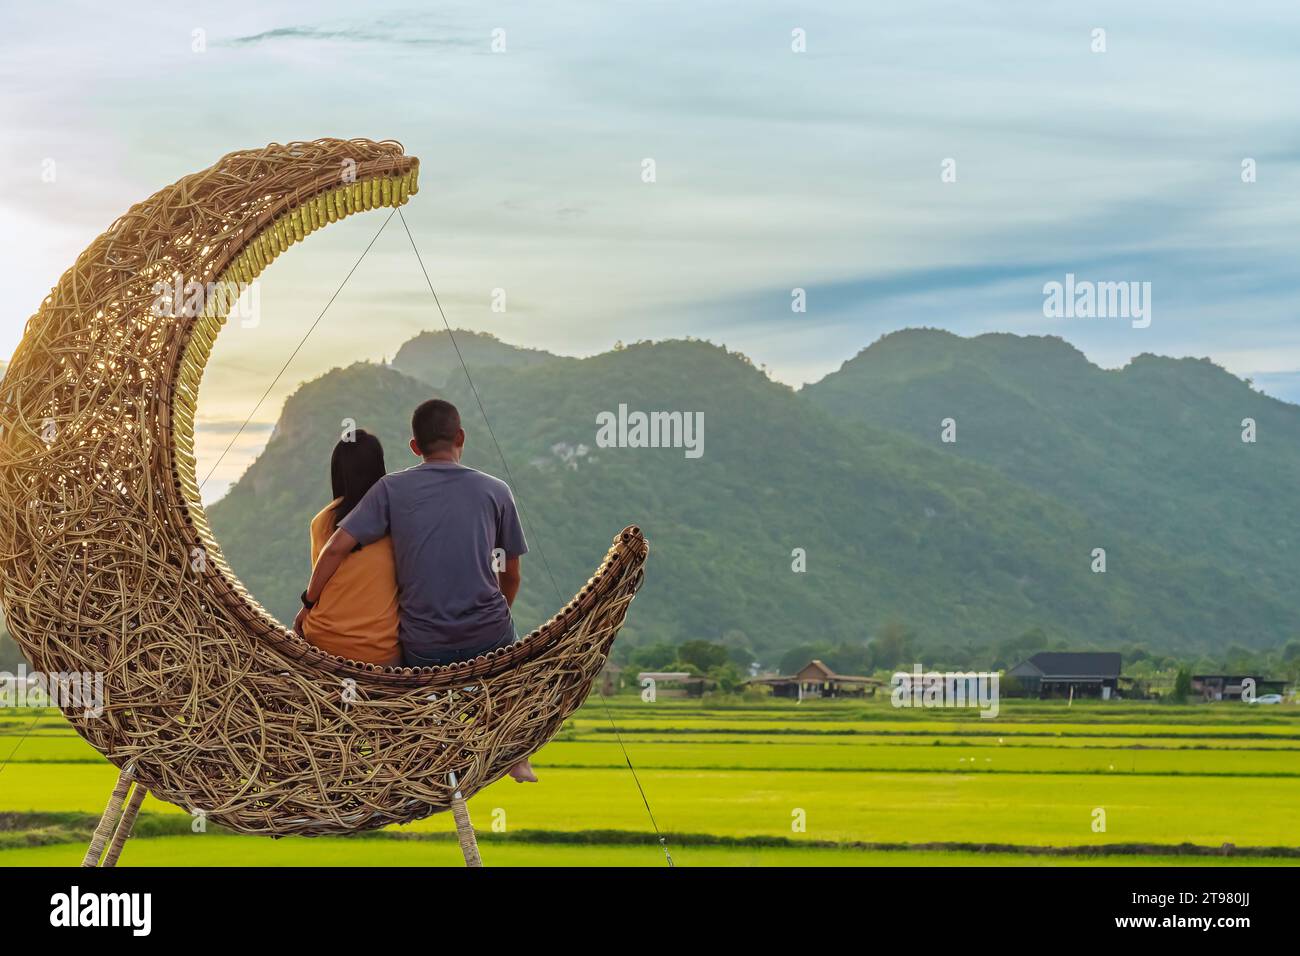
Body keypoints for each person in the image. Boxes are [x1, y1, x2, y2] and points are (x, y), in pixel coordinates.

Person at [294, 399, 537, 783]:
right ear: (460, 437)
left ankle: (432, 759)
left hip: (425, 646)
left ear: (413, 446)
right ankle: (516, 754)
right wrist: (498, 612)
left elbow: (337, 547)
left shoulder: (391, 489)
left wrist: (308, 602)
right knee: (510, 677)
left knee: (417, 691)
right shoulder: (497, 491)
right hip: (489, 634)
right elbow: (512, 575)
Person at [298, 430, 401, 667]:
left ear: (338, 471)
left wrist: (306, 606)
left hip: (324, 643)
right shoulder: (396, 518)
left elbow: (321, 580)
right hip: (380, 652)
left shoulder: (322, 521)